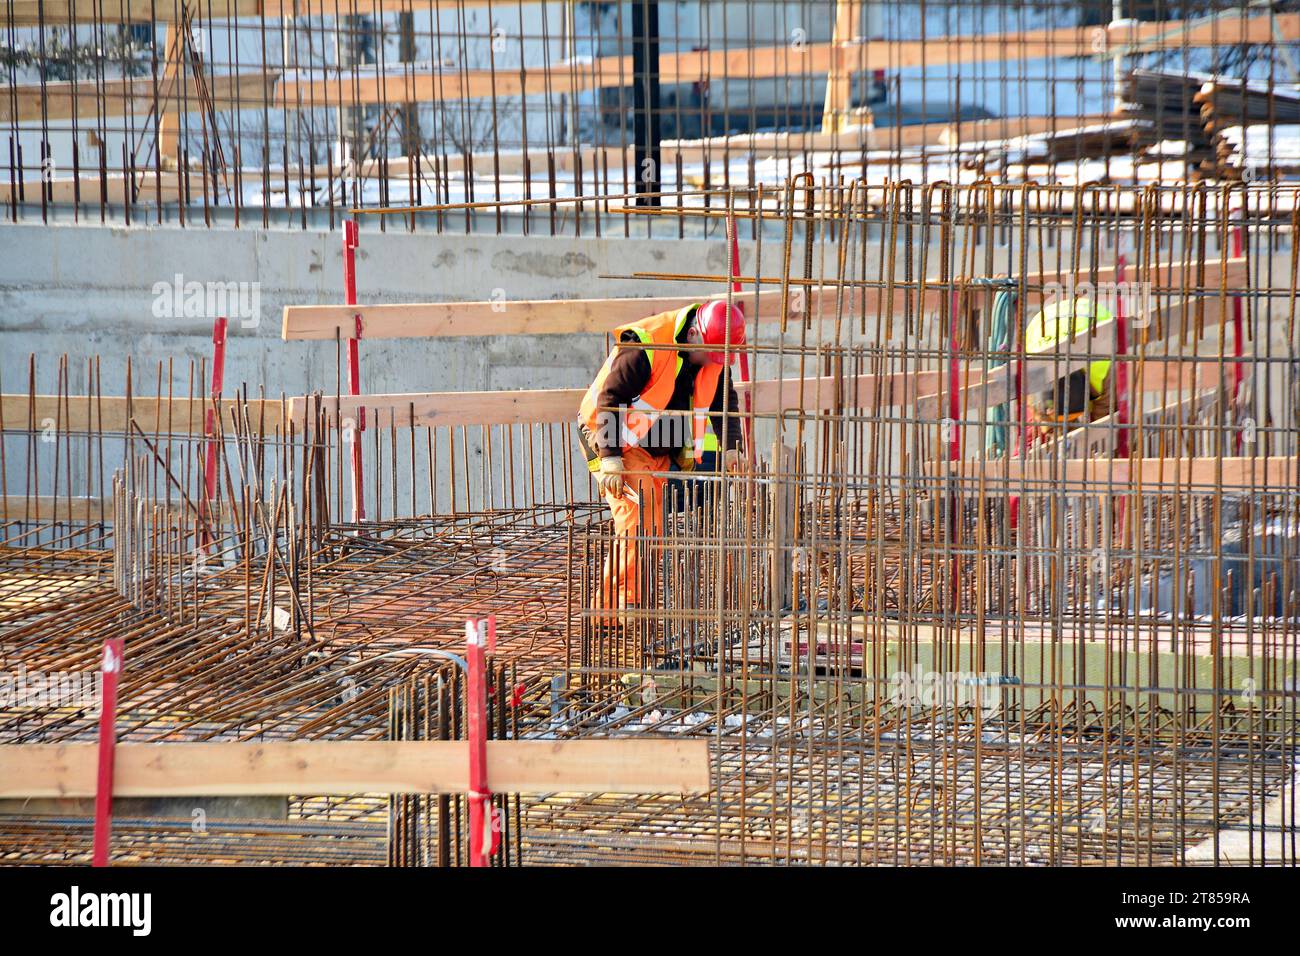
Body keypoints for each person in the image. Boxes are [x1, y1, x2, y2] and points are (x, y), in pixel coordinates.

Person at [578, 300, 746, 615]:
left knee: (652, 529)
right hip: (616, 442)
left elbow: (725, 399)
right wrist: (611, 457)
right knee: (637, 525)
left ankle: (618, 604)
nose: (713, 361)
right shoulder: (646, 346)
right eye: (710, 353)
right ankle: (622, 607)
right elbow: (609, 398)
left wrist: (732, 446)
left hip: (656, 447)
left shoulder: (711, 353)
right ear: (694, 334)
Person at [1024, 295, 1114, 438]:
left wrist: (1097, 444)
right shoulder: (1032, 369)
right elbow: (1034, 408)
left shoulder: (1102, 367)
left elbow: (1104, 416)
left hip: (1097, 321)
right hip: (1046, 323)